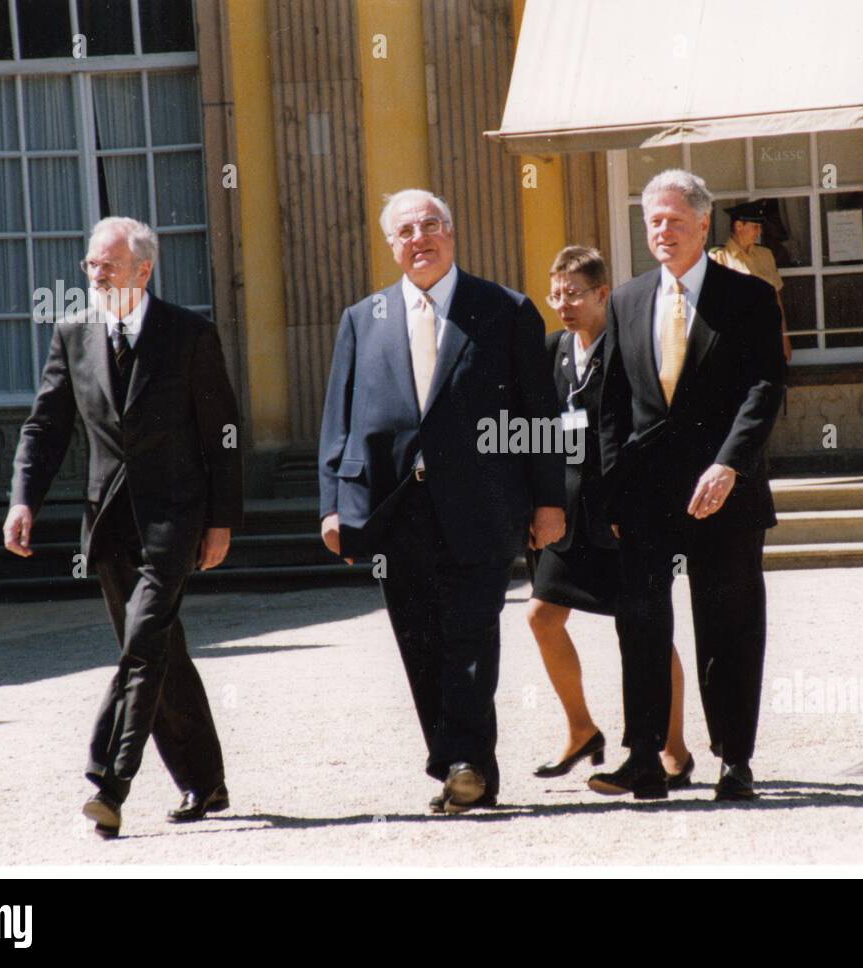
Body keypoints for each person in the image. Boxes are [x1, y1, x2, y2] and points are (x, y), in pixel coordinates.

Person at [319, 189, 566, 814]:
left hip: (483, 506)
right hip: (395, 510)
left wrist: (548, 501)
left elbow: (538, 416)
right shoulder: (362, 318)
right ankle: (462, 766)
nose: (419, 237)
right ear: (392, 245)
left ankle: (464, 762)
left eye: (431, 225)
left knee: (472, 635)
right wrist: (333, 506)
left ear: (451, 235)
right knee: (419, 641)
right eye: (405, 230)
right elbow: (339, 422)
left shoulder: (505, 309)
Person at [4, 216, 243, 838]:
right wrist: (22, 499)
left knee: (141, 644)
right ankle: (205, 781)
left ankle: (109, 783)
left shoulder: (189, 334)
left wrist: (220, 522)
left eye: (106, 265)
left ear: (143, 269)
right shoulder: (73, 333)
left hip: (174, 517)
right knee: (158, 649)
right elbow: (46, 425)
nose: (95, 274)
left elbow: (223, 434)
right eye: (90, 265)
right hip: (106, 521)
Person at [593, 169, 786, 801]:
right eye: (654, 221)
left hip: (724, 488)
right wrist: (614, 491)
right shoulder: (624, 301)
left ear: (704, 224)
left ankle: (735, 759)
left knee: (728, 623)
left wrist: (729, 463)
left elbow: (765, 390)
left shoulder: (749, 297)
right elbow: (612, 405)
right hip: (647, 495)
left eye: (676, 220)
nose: (663, 231)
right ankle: (644, 757)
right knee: (641, 623)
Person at [526, 246, 695, 788]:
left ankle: (674, 748)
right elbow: (540, 430)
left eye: (573, 293)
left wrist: (630, 500)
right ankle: (581, 729)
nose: (563, 305)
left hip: (621, 511)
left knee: (646, 630)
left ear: (602, 293)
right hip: (567, 511)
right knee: (541, 616)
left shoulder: (629, 349)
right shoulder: (552, 350)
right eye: (555, 294)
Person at [709, 200, 793, 362]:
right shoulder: (718, 257)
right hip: (735, 340)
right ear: (739, 226)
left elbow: (776, 299)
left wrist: (784, 338)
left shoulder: (765, 255)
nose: (759, 232)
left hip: (767, 336)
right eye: (755, 227)